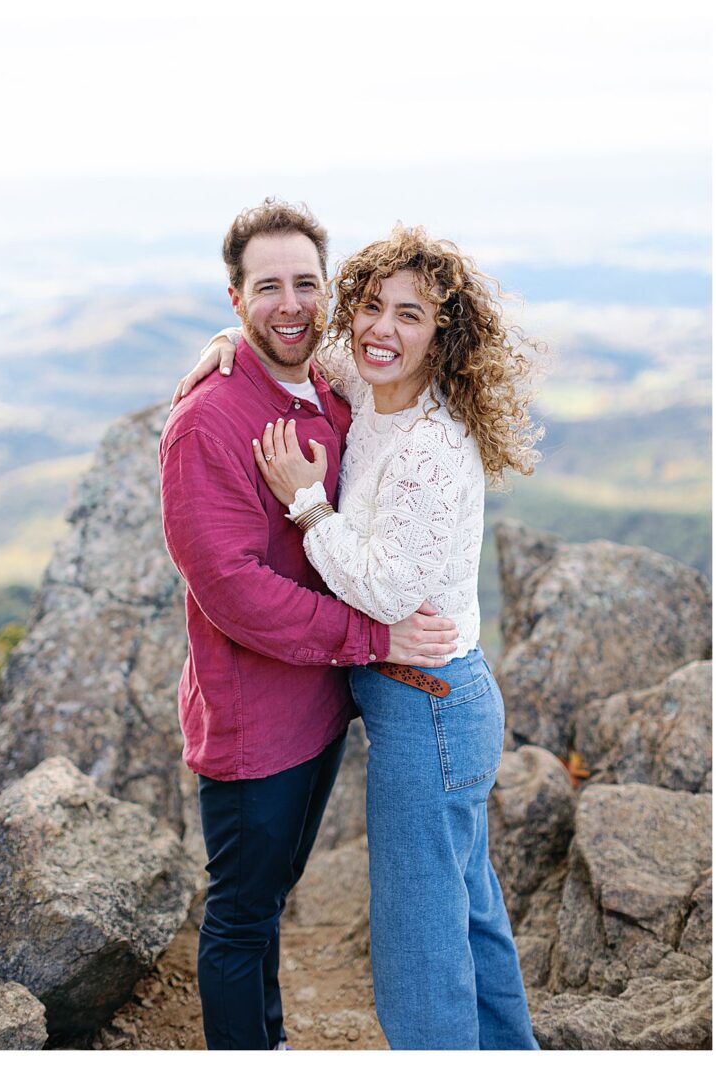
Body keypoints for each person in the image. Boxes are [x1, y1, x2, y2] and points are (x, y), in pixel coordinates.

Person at [175, 224, 542, 1049]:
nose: (382, 328)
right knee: (469, 916)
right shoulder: (372, 387)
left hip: (429, 706)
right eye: (371, 306)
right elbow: (291, 342)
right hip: (438, 702)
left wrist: (308, 503)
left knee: (419, 957)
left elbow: (385, 590)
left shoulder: (429, 450)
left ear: (443, 335)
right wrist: (229, 338)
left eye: (410, 315)